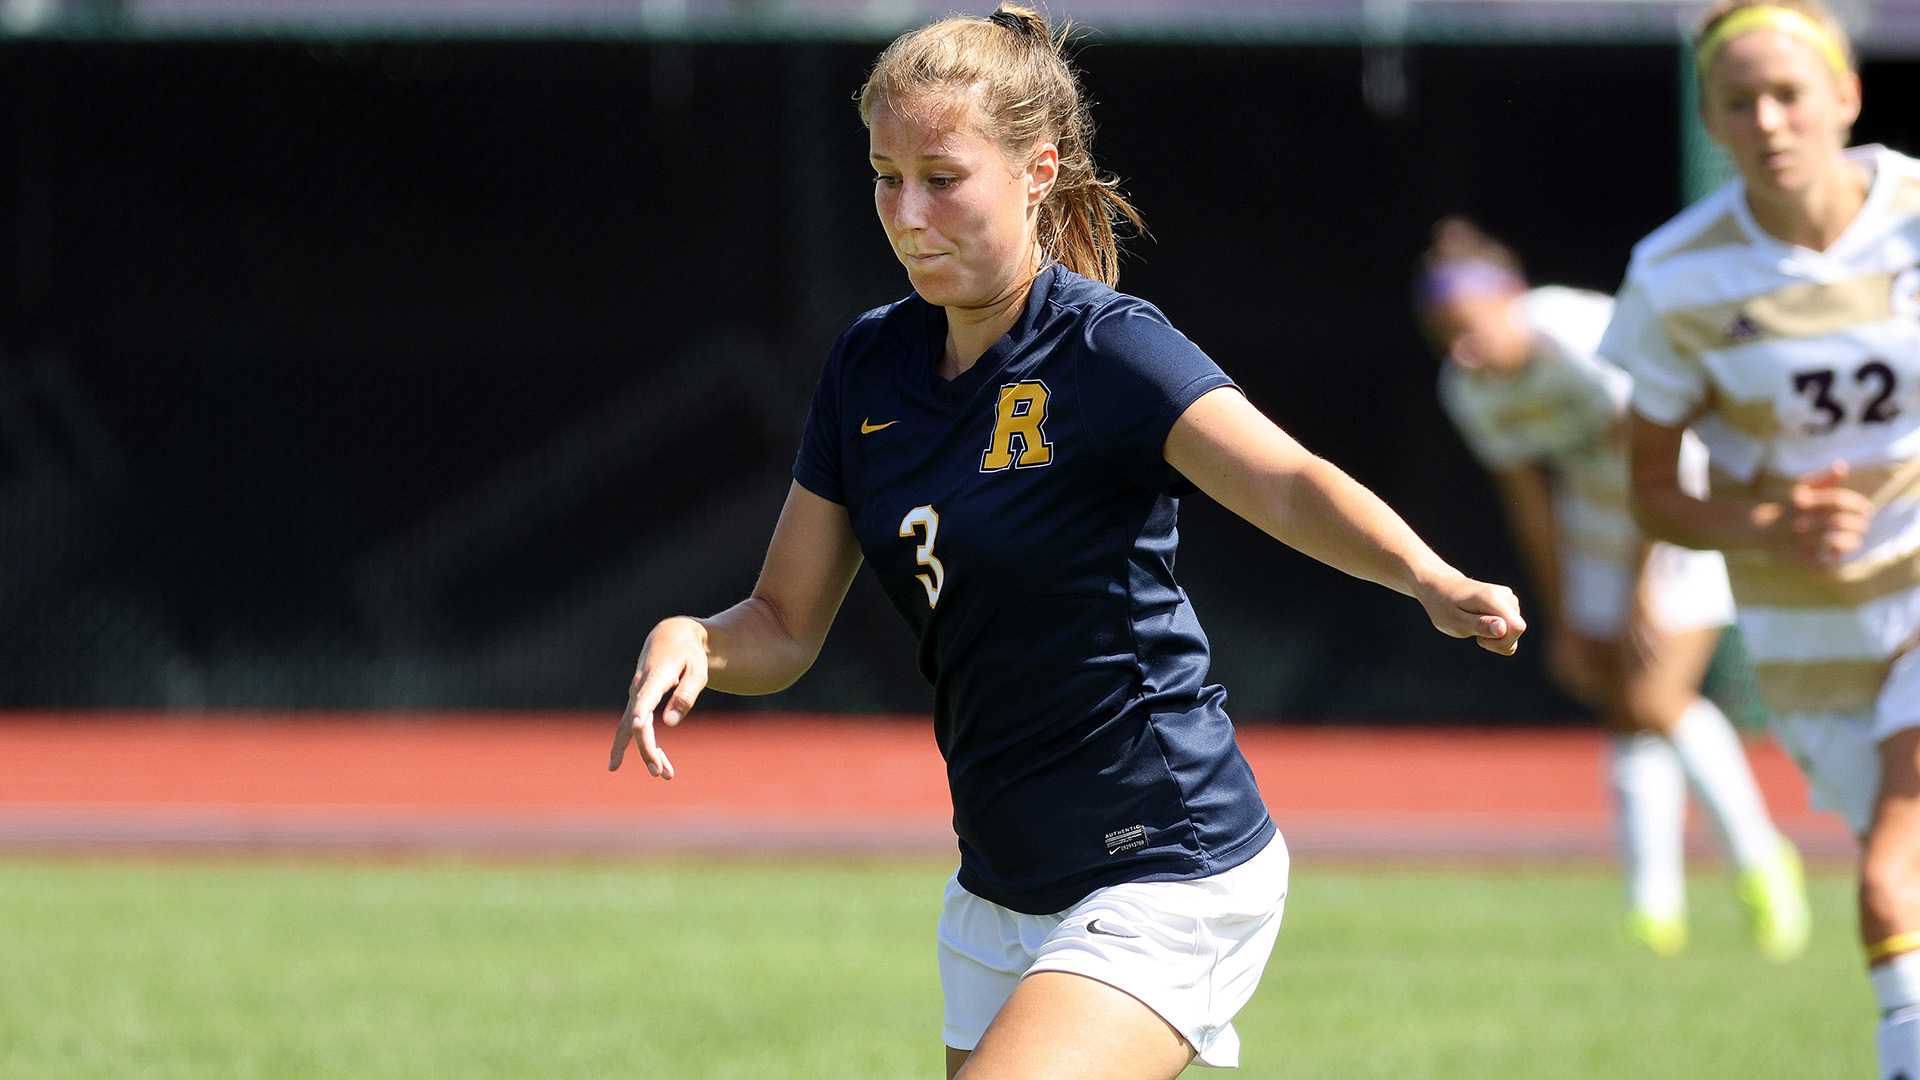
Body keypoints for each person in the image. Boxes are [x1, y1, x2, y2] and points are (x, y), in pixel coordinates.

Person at [610, 7, 1524, 1077]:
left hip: (1162, 864)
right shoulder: (866, 367)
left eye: (943, 178)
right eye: (886, 178)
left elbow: (1285, 483)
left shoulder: (1105, 349)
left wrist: (1426, 576)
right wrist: (697, 638)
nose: (908, 213)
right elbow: (782, 623)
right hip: (1000, 883)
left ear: (1037, 170)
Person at [1604, 0, 1920, 1072]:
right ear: (1711, 120)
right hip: (1812, 631)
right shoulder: (1674, 277)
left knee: (1890, 884)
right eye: (1740, 102)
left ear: (1848, 96)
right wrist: (1772, 520)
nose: (1769, 121)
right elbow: (1654, 494)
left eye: (1790, 93)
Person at [1416, 216, 1809, 958]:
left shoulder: (1580, 338)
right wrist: (1562, 615)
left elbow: (1658, 465)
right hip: (1597, 520)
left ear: (1511, 297)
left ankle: (1763, 861)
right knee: (1620, 705)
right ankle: (1652, 909)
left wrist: (1640, 592)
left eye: (1468, 326)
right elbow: (1529, 503)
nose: (1460, 349)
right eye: (1443, 336)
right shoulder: (1467, 388)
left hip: (1682, 504)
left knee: (1655, 697)